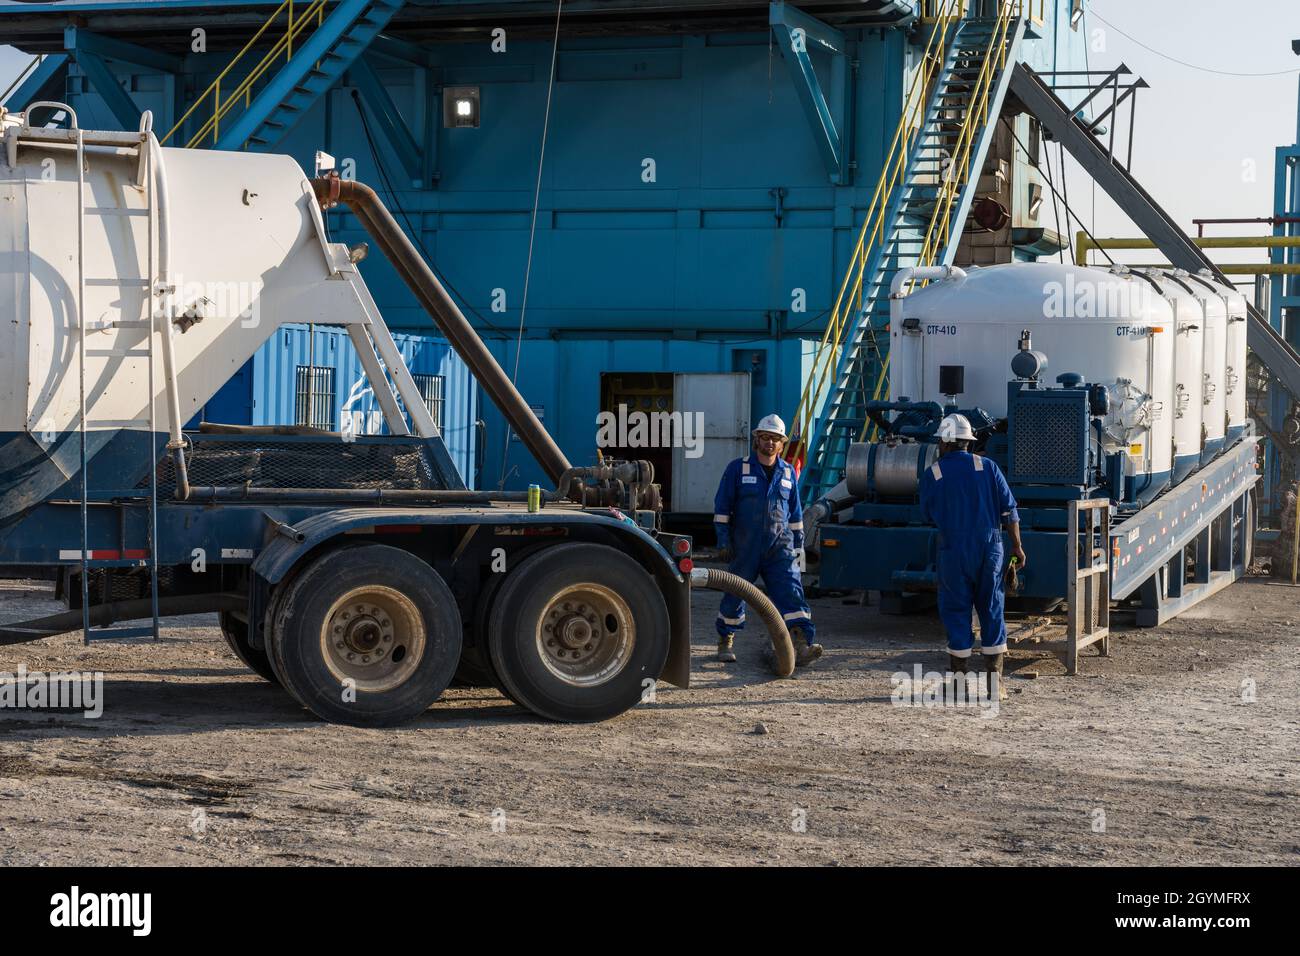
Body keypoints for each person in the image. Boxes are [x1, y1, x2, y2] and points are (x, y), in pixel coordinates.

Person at [918, 414, 1026, 700]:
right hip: (990, 549)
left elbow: (927, 513)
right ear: (968, 441)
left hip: (954, 550)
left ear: (944, 441)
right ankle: (995, 685)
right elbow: (1009, 511)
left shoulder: (934, 473)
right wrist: (1017, 547)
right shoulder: (988, 467)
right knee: (991, 608)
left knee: (956, 610)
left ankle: (958, 682)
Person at [713, 414, 822, 667]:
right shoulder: (737, 469)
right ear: (757, 440)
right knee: (735, 592)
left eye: (775, 439)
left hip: (780, 547)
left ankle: (801, 642)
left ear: (782, 444)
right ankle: (725, 639)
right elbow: (722, 508)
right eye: (765, 438)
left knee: (791, 591)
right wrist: (723, 541)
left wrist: (798, 550)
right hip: (746, 546)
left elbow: (795, 516)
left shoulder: (787, 473)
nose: (770, 443)